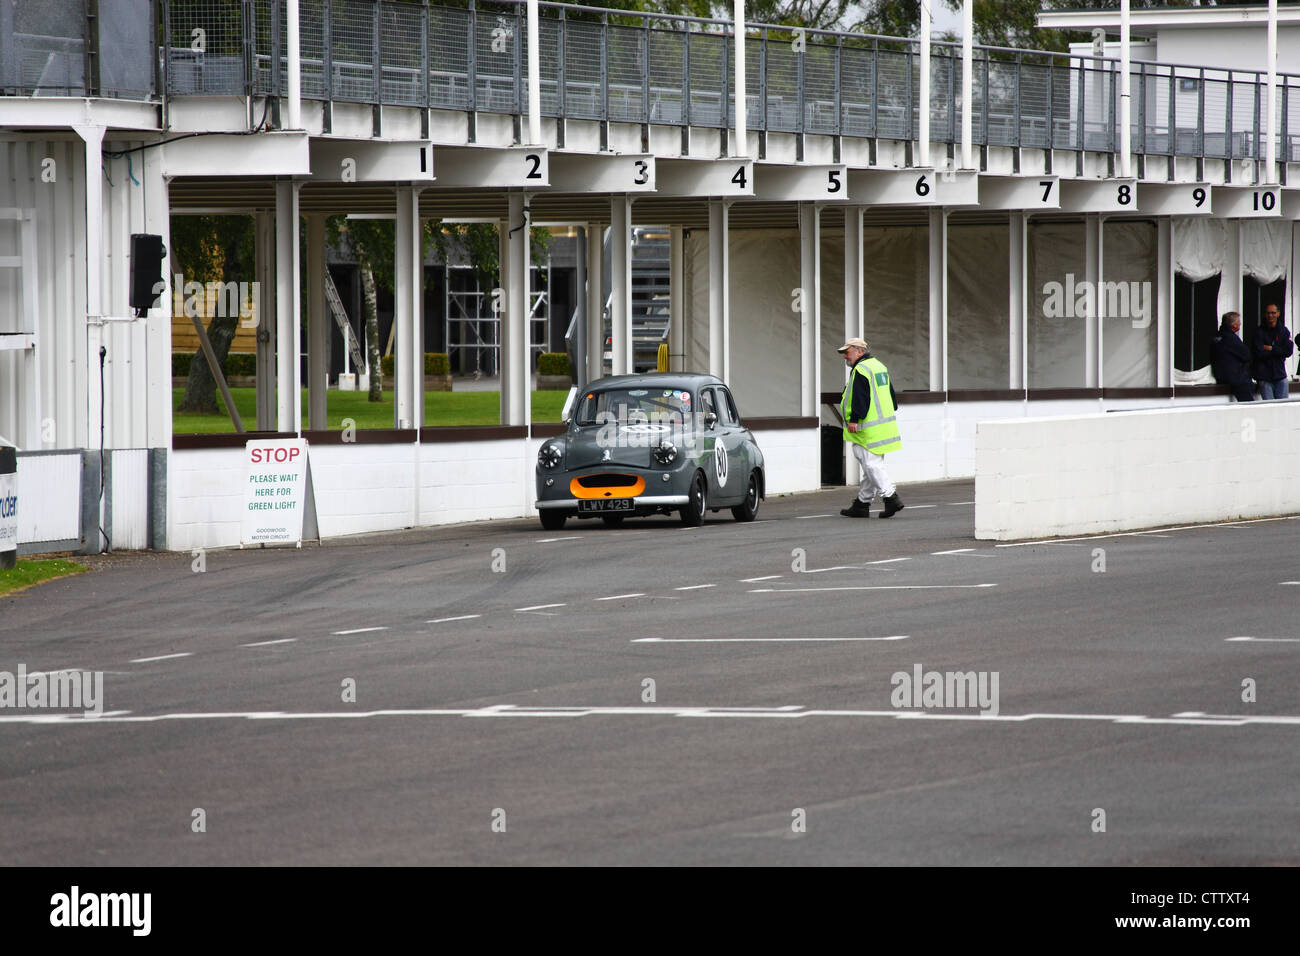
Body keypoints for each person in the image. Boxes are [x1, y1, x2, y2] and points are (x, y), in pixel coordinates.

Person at [836, 337, 903, 518]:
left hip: (867, 427)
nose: (845, 357)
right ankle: (862, 503)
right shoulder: (879, 366)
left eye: (847, 352)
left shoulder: (861, 369)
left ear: (859, 351)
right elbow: (891, 395)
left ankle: (891, 497)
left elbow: (860, 396)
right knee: (869, 465)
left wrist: (854, 419)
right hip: (883, 426)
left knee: (871, 464)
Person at [1210, 312, 1255, 402]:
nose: (1240, 324)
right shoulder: (1231, 338)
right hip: (1236, 379)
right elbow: (1246, 355)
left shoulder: (1216, 337)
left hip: (1220, 376)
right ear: (1234, 325)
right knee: (1248, 407)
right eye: (1239, 322)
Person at [1252, 303, 1293, 400]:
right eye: (1268, 313)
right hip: (1264, 377)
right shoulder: (1258, 332)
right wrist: (1279, 351)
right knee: (1269, 409)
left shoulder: (1284, 331)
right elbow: (1258, 353)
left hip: (1280, 375)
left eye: (1273, 313)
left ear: (1278, 313)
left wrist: (1271, 348)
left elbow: (1288, 351)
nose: (1270, 315)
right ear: (1265, 314)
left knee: (1283, 408)